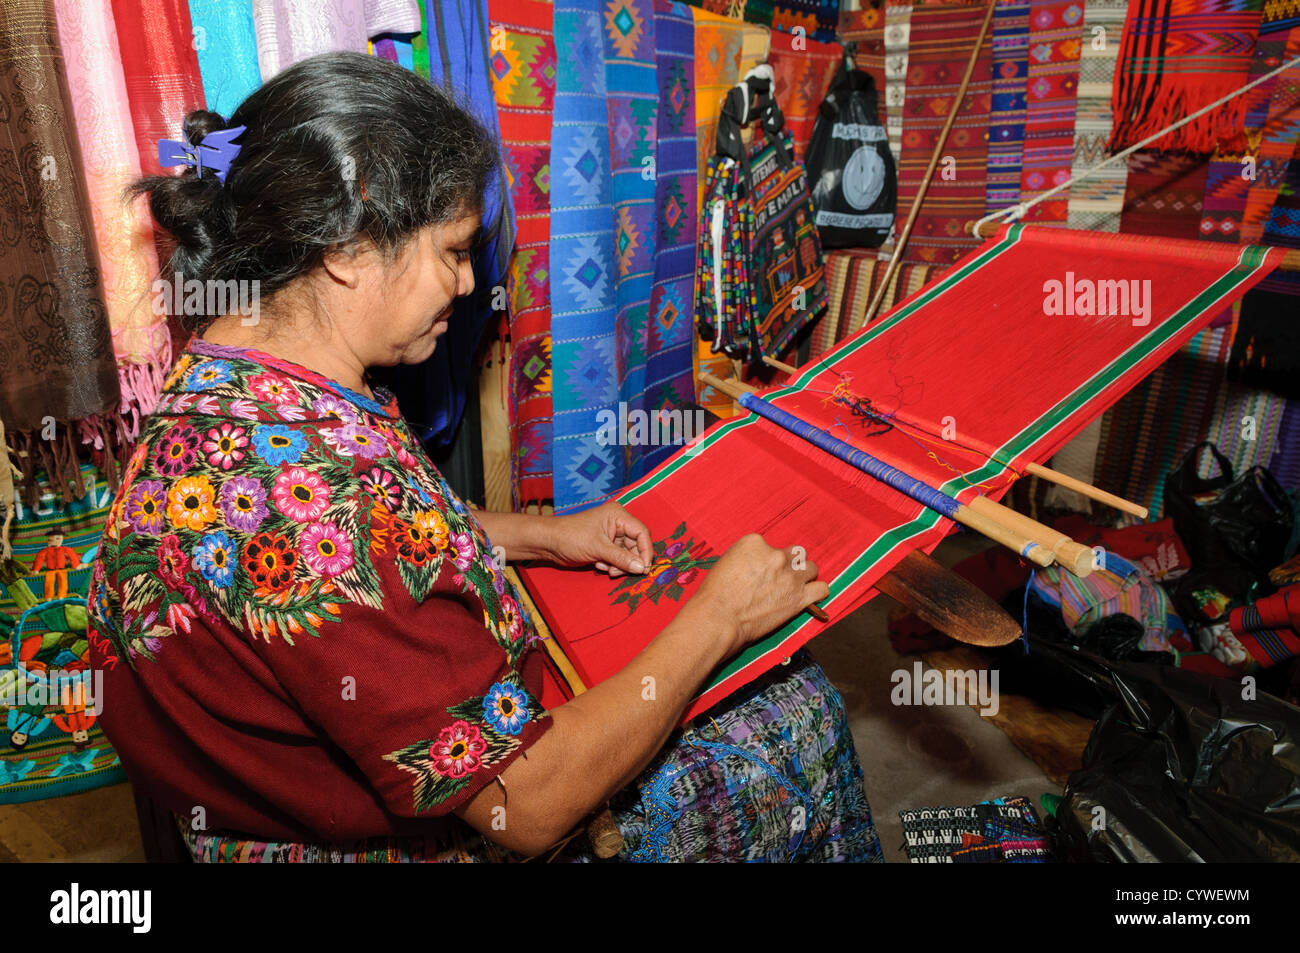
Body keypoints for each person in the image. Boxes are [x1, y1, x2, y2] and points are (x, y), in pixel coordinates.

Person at [86, 52, 883, 862]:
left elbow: (390, 539)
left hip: (284, 794)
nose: (469, 284)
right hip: (420, 839)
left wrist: (543, 534)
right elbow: (527, 807)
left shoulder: (231, 385)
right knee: (795, 708)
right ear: (349, 245)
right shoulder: (317, 513)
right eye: (455, 250)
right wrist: (722, 617)